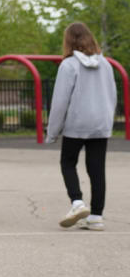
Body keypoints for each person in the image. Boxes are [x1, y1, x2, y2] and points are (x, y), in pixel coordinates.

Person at [47, 22, 117, 231]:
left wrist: (52, 132)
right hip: (100, 123)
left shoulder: (68, 65)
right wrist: (107, 121)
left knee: (68, 162)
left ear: (68, 41)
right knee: (97, 169)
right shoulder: (106, 64)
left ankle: (77, 202)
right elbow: (113, 94)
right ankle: (96, 216)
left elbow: (60, 101)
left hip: (77, 122)